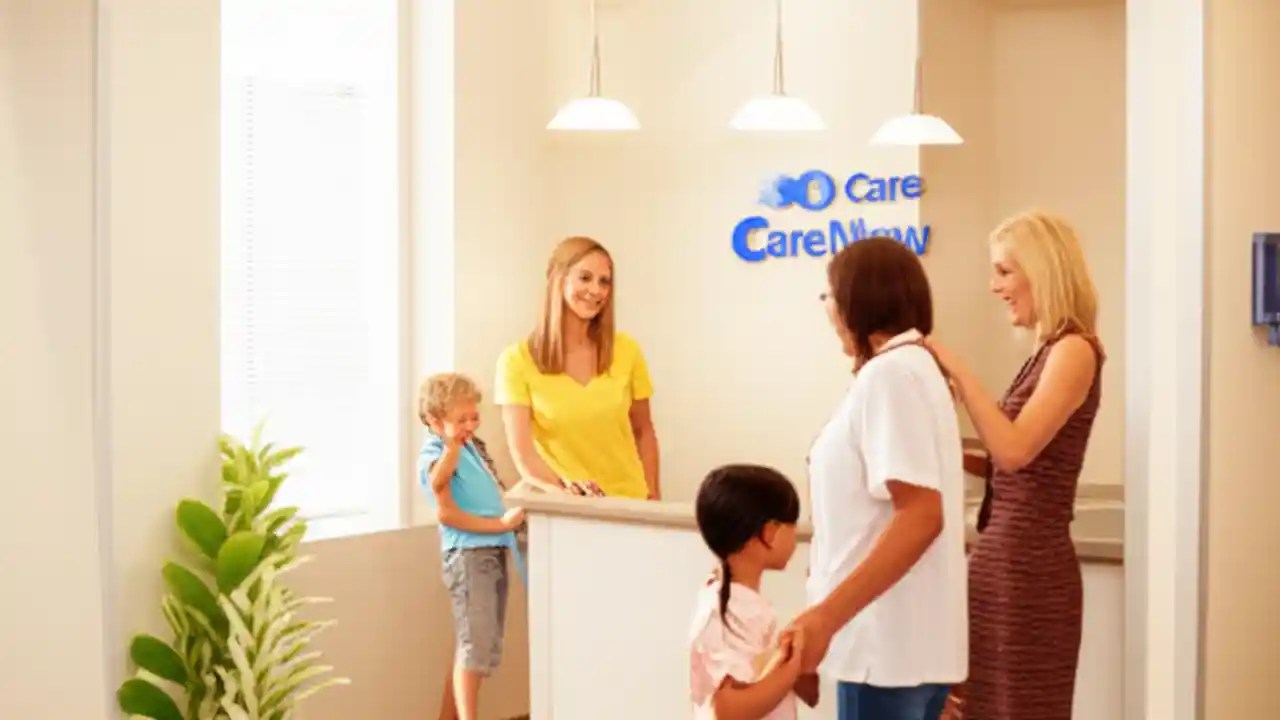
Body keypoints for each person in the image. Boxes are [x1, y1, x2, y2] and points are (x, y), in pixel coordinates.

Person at [925, 210, 1104, 720]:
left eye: (1004, 271)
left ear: (1042, 270)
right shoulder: (1046, 352)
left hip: (1029, 571)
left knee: (1021, 707)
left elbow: (1015, 450)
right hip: (1002, 563)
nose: (994, 285)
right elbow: (1011, 465)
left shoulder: (1074, 350)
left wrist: (958, 370)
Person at [787, 236, 968, 720]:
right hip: (899, 653)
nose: (827, 308)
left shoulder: (889, 376)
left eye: (829, 295)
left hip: (884, 653)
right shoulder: (914, 370)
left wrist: (824, 618)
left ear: (855, 300)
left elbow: (922, 516)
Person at [495, 236, 661, 500]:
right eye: (585, 278)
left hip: (631, 504)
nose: (596, 290)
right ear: (558, 279)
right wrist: (567, 495)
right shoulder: (517, 360)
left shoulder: (627, 350)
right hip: (567, 512)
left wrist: (653, 497)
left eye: (604, 281)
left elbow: (644, 431)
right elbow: (524, 455)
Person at [417, 372, 526, 720]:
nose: (470, 425)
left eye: (473, 417)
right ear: (435, 421)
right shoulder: (438, 453)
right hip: (469, 553)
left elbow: (494, 487)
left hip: (494, 548)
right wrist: (451, 446)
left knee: (483, 642)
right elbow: (443, 503)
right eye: (460, 420)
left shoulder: (473, 448)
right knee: (473, 644)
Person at [688, 464, 816, 719]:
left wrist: (794, 660)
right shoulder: (722, 612)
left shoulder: (744, 603)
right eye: (792, 524)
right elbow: (731, 711)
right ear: (769, 532)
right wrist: (788, 671)